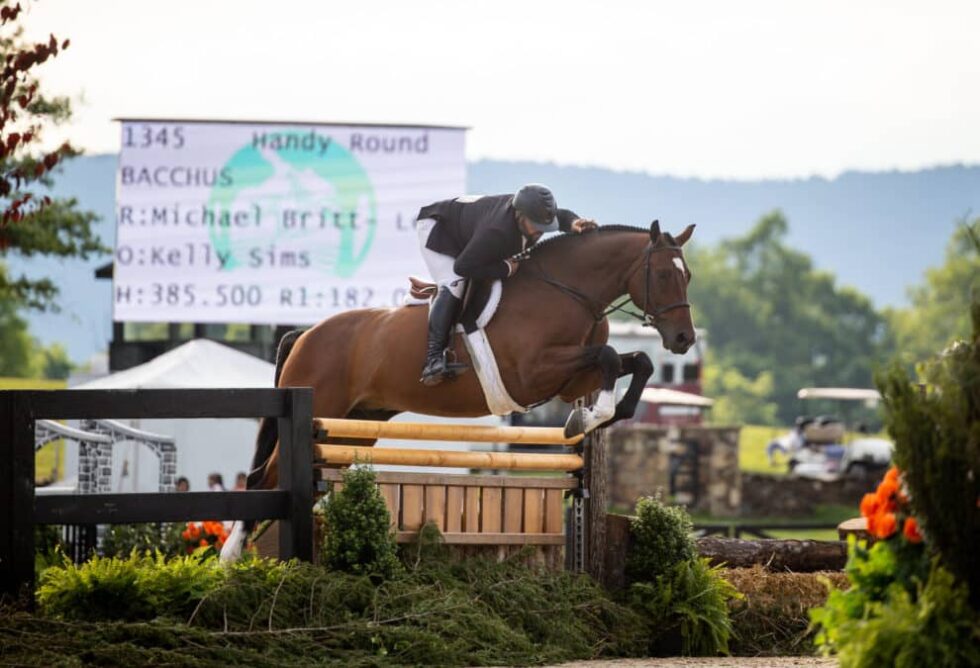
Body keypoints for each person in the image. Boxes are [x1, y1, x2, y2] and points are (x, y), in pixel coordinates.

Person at [415, 184, 597, 386]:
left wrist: (573, 222)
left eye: (544, 226)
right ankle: (433, 359)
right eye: (536, 225)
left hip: (468, 227)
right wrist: (505, 268)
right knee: (454, 283)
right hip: (437, 228)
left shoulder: (529, 213)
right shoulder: (497, 232)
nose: (540, 232)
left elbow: (558, 216)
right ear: (519, 216)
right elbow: (462, 267)